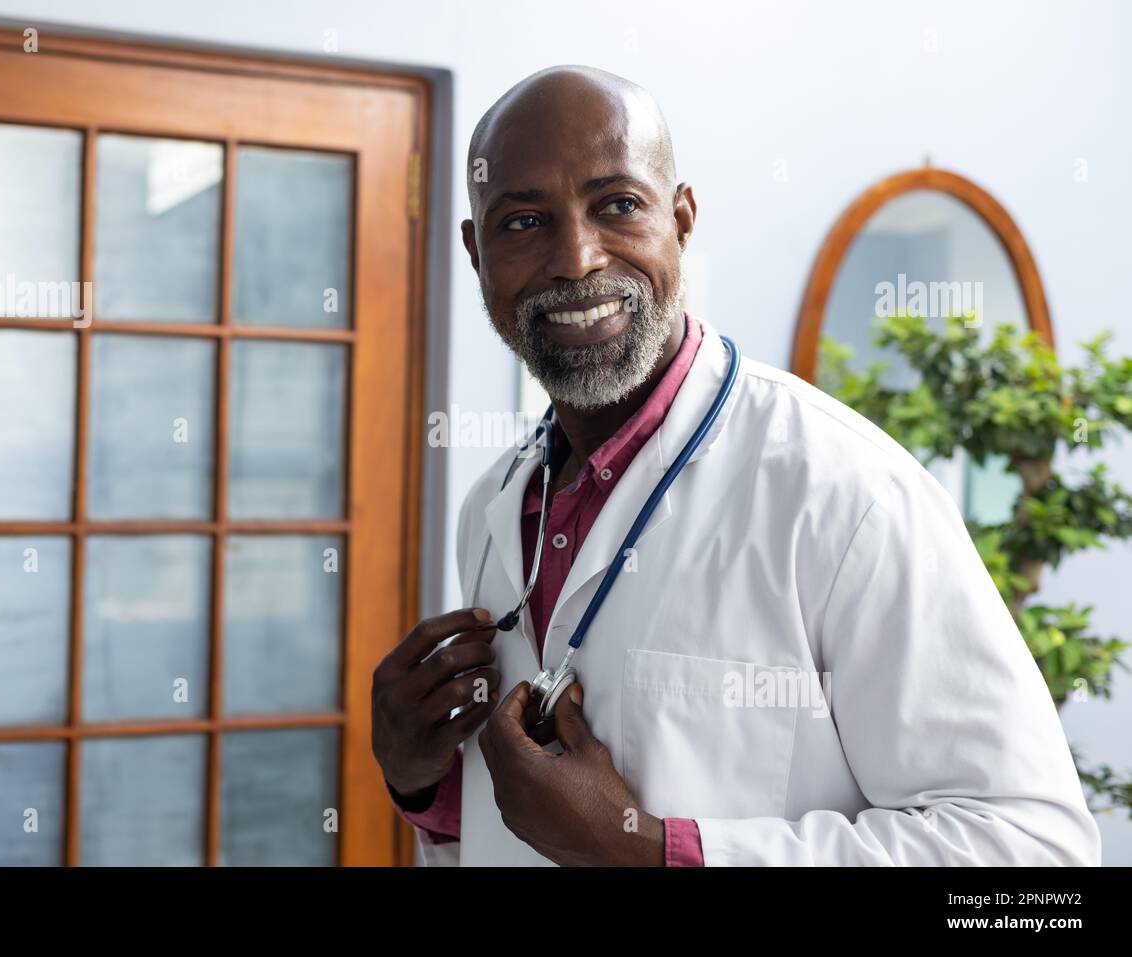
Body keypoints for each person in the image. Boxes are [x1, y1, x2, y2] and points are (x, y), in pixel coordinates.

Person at [371, 65, 1101, 866]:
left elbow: (1035, 855)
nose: (576, 259)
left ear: (681, 220)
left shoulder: (848, 496)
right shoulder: (492, 509)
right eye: (523, 222)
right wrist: (425, 786)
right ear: (477, 254)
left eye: (618, 205)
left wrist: (652, 852)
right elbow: (518, 817)